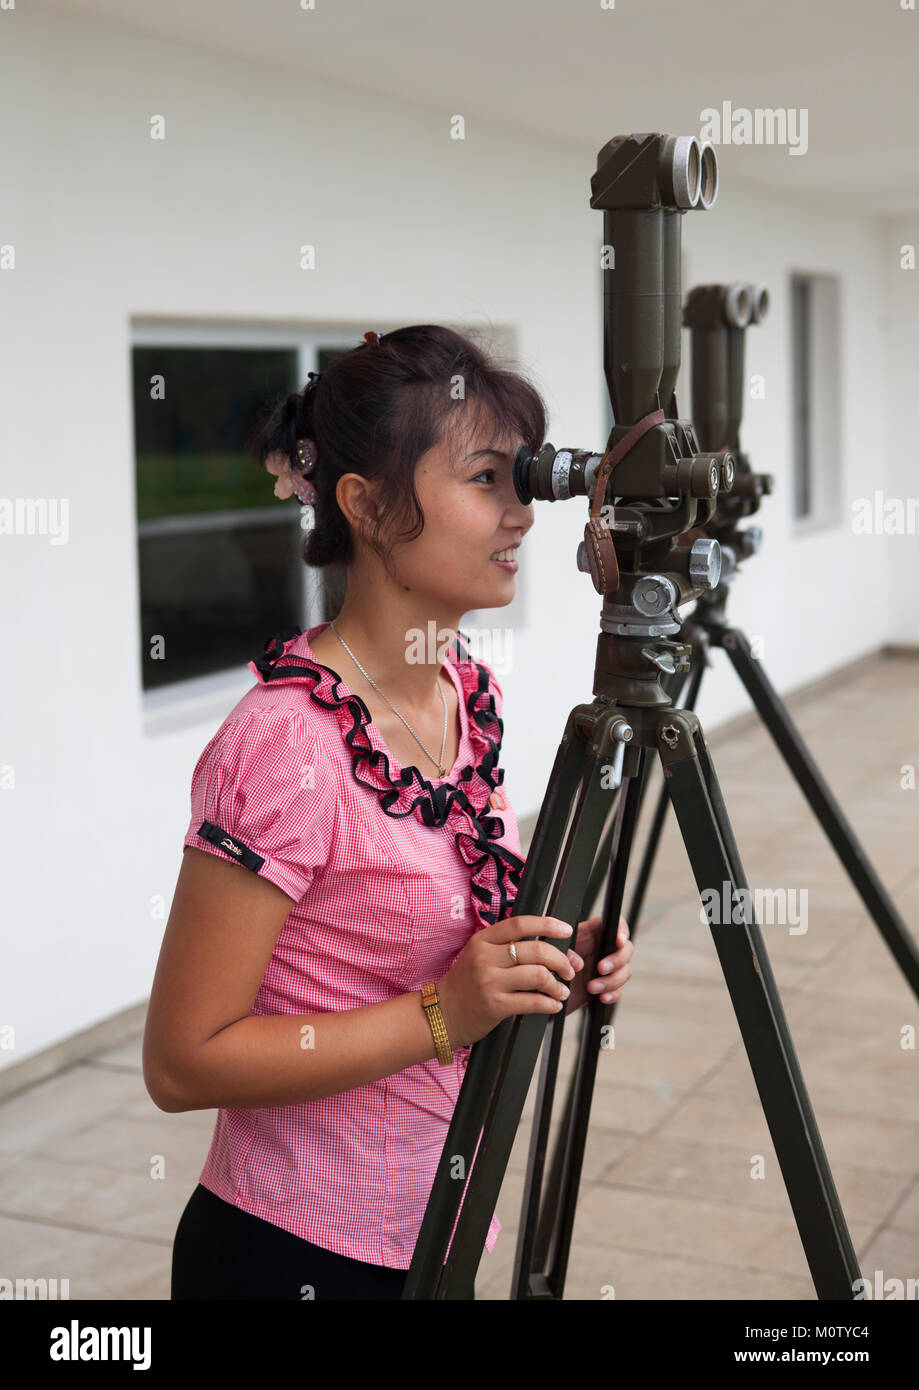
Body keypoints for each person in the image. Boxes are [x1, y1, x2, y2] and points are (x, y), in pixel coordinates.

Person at [142, 325, 634, 1301]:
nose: (521, 517)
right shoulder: (287, 743)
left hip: (434, 1222)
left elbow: (435, 935)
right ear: (366, 505)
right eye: (484, 480)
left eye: (519, 481)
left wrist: (541, 960)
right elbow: (182, 1059)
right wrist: (443, 1014)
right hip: (294, 1252)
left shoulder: (461, 691)